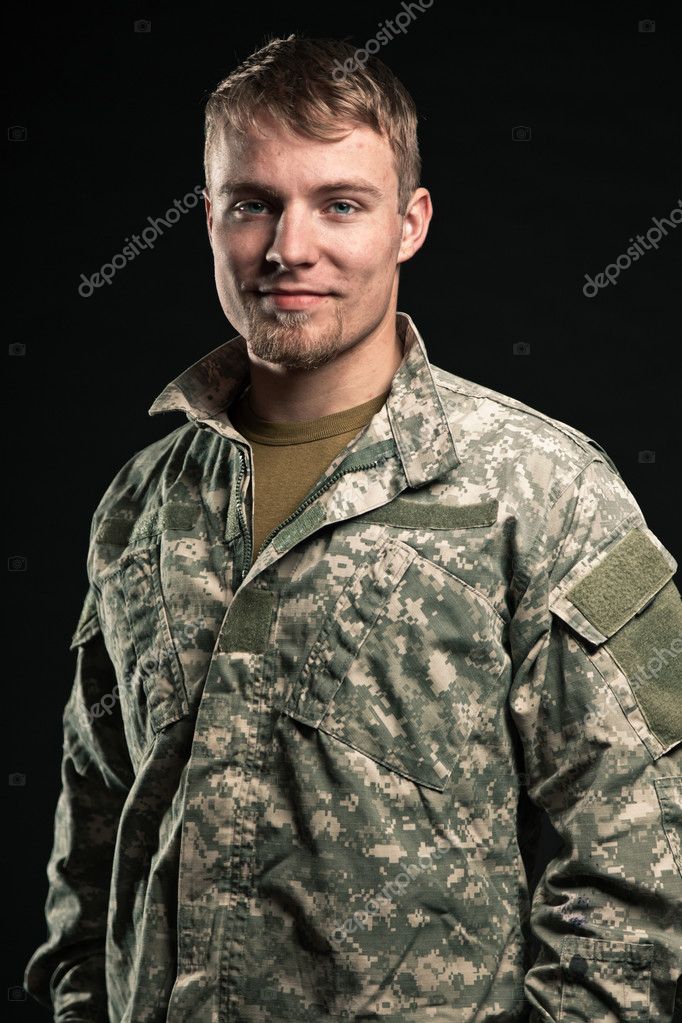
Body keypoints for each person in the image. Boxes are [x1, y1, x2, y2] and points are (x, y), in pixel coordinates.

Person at [24, 34, 681, 1022]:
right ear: (209, 219)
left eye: (339, 203)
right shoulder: (142, 505)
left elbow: (646, 845)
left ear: (409, 224)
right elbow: (94, 831)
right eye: (253, 203)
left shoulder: (545, 490)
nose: (289, 247)